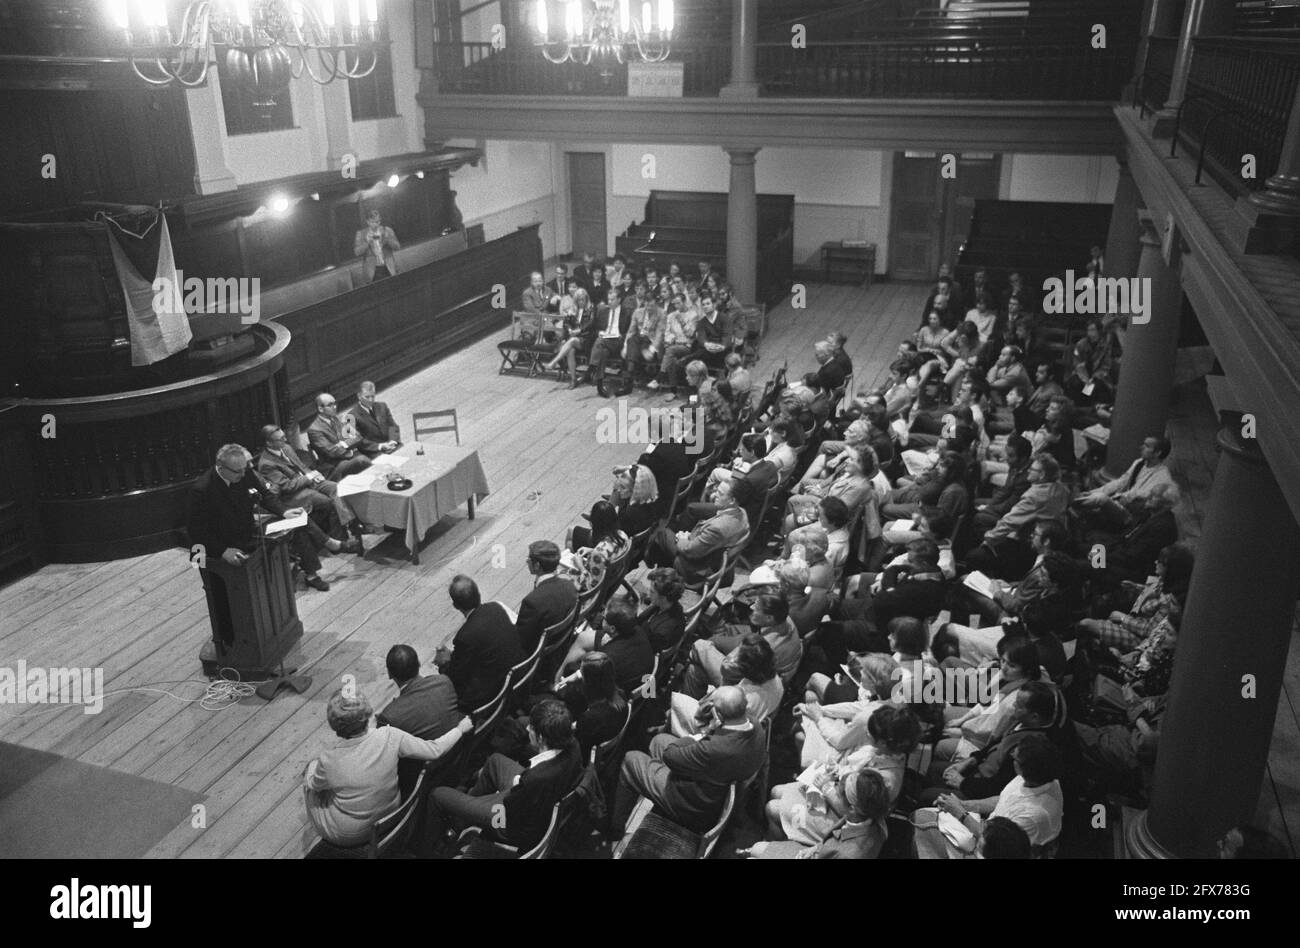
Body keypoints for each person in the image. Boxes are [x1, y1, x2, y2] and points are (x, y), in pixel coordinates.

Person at [304, 687, 471, 848]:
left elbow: (314, 785)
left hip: (349, 835)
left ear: (335, 725)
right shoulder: (389, 735)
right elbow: (435, 750)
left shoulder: (329, 760)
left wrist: (312, 767)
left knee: (311, 789)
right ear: (367, 714)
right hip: (390, 814)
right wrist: (459, 729)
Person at [426, 699, 583, 853]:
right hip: (535, 801)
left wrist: (514, 786)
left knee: (438, 794)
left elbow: (509, 804)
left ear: (541, 738)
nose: (527, 728)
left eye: (532, 727)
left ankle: (425, 850)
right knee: (495, 762)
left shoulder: (534, 778)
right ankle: (462, 820)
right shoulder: (573, 744)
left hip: (510, 824)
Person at [611, 685, 767, 836]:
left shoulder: (714, 749)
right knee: (659, 740)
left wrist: (704, 731)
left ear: (718, 716)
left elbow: (669, 756)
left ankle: (615, 829)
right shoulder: (755, 725)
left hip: (690, 806)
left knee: (630, 759)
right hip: (716, 782)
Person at [187, 444, 333, 602]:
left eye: (245, 469)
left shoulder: (243, 471)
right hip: (224, 542)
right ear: (221, 468)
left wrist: (284, 511)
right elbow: (196, 531)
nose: (244, 474)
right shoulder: (202, 490)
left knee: (296, 525)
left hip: (247, 529)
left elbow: (265, 495)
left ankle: (310, 575)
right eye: (238, 471)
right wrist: (223, 551)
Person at [920, 732, 1063, 857]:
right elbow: (1003, 799)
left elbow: (997, 845)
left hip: (992, 848)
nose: (1012, 755)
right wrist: (965, 805)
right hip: (989, 829)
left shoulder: (1034, 815)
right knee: (926, 811)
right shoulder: (1035, 777)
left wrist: (961, 813)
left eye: (1016, 757)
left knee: (923, 829)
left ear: (1026, 767)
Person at [744, 768, 892, 859]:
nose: (834, 796)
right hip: (819, 853)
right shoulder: (871, 815)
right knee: (757, 848)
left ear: (852, 808)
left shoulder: (850, 854)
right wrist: (815, 848)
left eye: (839, 795)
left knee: (757, 849)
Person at [256, 424, 361, 553]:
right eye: (280, 439)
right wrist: (309, 478)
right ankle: (340, 540)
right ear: (269, 443)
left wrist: (314, 475)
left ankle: (352, 525)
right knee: (326, 501)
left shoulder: (286, 448)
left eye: (284, 437)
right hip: (293, 495)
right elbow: (287, 486)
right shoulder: (266, 464)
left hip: (308, 481)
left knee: (337, 488)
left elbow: (302, 466)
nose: (285, 440)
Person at [436, 575, 524, 713]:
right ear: (479, 595)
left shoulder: (465, 636)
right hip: (520, 675)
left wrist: (444, 663)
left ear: (455, 605)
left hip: (495, 694)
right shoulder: (496, 607)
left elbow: (455, 676)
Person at [648, 478, 749, 583]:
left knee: (662, 534)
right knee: (665, 543)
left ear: (732, 500)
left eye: (720, 493)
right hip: (712, 557)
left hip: (695, 569)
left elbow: (690, 551)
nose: (715, 495)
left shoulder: (717, 528)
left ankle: (658, 573)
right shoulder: (742, 513)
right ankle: (662, 575)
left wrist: (683, 539)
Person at [1074, 435, 1176, 534]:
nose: (1141, 447)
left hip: (1133, 516)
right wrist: (1093, 492)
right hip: (1122, 503)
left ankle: (1074, 505)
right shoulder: (1140, 462)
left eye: (1147, 446)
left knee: (1101, 499)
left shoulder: (1162, 478)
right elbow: (1121, 482)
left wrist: (1110, 500)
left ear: (1157, 453)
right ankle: (1076, 505)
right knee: (1094, 496)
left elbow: (1137, 499)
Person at [558, 597, 654, 696]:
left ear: (612, 629)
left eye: (604, 618)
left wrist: (575, 672)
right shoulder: (638, 630)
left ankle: (557, 687)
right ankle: (556, 680)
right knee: (583, 638)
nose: (601, 617)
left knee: (570, 670)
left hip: (614, 691)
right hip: (637, 672)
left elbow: (588, 674)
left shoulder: (607, 658)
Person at [375, 644, 461, 741]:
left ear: (390, 674)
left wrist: (385, 722)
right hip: (462, 748)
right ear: (419, 664)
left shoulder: (390, 717)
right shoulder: (444, 681)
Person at [558, 651, 629, 759]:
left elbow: (576, 748)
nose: (579, 675)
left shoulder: (589, 718)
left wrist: (572, 726)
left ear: (589, 682)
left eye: (582, 673)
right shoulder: (621, 695)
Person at [515, 540, 579, 654]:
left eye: (529, 559)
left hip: (539, 652)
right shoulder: (569, 585)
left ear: (537, 565)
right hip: (562, 640)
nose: (527, 561)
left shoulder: (532, 602)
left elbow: (521, 639)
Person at [307, 393, 372, 481]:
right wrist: (349, 445)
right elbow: (332, 452)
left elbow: (357, 436)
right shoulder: (314, 430)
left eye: (335, 403)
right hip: (334, 466)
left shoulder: (336, 418)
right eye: (330, 405)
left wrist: (343, 444)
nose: (335, 407)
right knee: (362, 460)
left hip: (349, 456)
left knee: (374, 454)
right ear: (320, 408)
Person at [637, 567, 687, 651]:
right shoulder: (668, 605)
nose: (648, 593)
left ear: (664, 598)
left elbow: (644, 647)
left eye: (652, 591)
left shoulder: (664, 631)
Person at [351, 381, 402, 456]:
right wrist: (380, 446)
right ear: (359, 396)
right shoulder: (351, 416)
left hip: (391, 445)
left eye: (373, 396)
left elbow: (392, 425)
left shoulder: (382, 406)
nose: (371, 400)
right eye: (367, 397)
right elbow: (358, 440)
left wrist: (392, 441)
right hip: (373, 452)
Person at [353, 209, 400, 282]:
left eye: (378, 221)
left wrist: (387, 240)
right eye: (373, 222)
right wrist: (368, 242)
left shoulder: (387, 230)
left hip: (389, 268)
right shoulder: (361, 234)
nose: (376, 224)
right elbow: (357, 252)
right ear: (368, 222)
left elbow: (397, 247)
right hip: (372, 272)